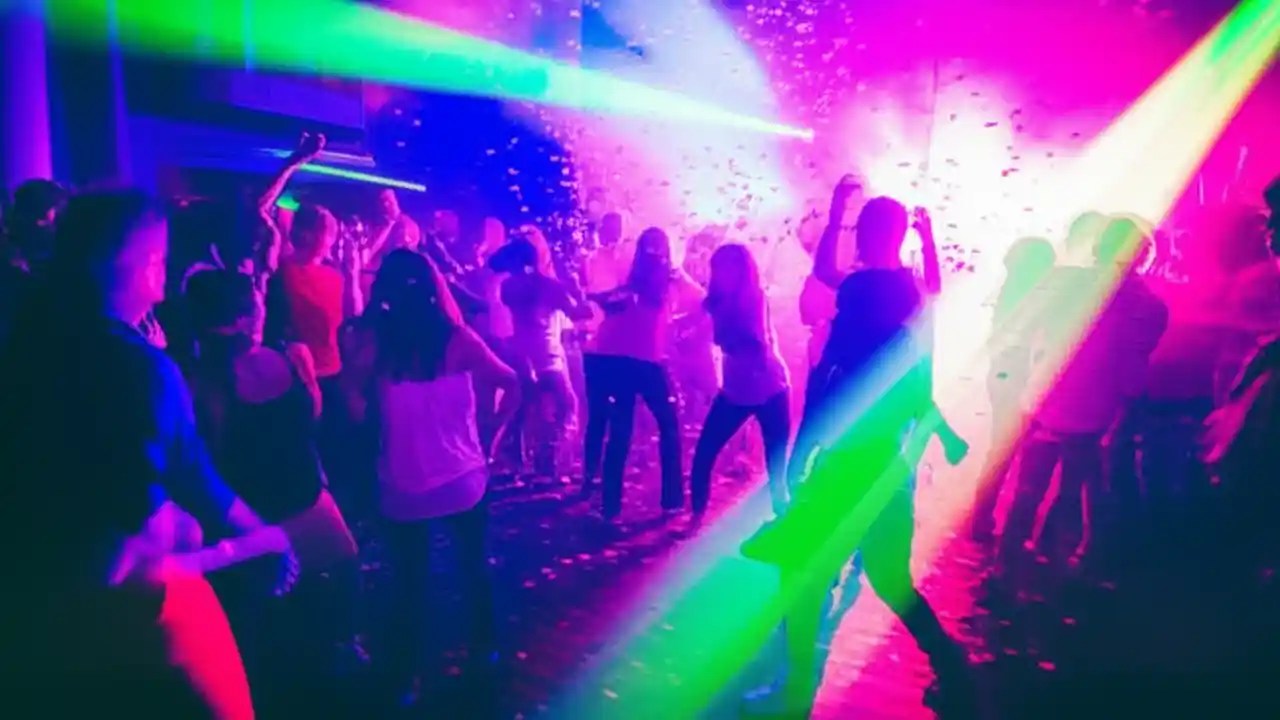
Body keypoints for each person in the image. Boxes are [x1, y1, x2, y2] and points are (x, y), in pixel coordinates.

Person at [0, 188, 295, 719]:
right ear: (137, 266)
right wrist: (252, 541)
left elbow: (184, 470)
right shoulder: (141, 369)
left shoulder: (29, 337)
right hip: (116, 604)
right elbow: (162, 506)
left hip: (28, 598)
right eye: (158, 255)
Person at [750, 178, 972, 718]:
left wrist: (799, 454)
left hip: (847, 467)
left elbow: (823, 397)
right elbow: (922, 397)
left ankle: (794, 683)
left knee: (804, 574)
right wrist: (945, 436)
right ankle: (953, 668)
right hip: (886, 470)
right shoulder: (905, 338)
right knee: (889, 579)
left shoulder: (849, 338)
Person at [343, 249, 519, 710]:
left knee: (408, 586)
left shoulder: (372, 344)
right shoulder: (458, 340)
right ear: (434, 286)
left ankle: (407, 679)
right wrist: (493, 438)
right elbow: (514, 382)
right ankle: (485, 652)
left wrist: (366, 405)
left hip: (403, 486)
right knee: (474, 568)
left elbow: (353, 406)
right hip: (463, 479)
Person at [1002, 217, 1168, 567]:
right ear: (1142, 257)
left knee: (1030, 488)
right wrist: (1126, 406)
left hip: (1047, 400)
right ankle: (1059, 557)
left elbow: (1026, 328)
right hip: (1097, 410)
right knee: (1077, 486)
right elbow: (1135, 365)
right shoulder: (1149, 307)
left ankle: (1011, 559)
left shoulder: (1065, 282)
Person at [580, 227, 704, 520]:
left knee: (623, 431)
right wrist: (677, 322)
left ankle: (612, 507)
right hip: (641, 362)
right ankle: (669, 501)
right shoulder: (659, 279)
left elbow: (605, 303)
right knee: (663, 427)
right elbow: (701, 300)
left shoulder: (643, 279)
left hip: (624, 361)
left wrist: (676, 323)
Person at [689, 243, 791, 525]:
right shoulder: (716, 301)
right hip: (736, 390)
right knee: (706, 450)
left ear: (742, 271)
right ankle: (696, 516)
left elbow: (757, 344)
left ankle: (784, 518)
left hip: (771, 388)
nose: (721, 274)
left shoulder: (755, 297)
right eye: (718, 268)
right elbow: (696, 321)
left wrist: (728, 339)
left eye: (728, 267)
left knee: (776, 462)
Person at [971, 237, 1057, 539]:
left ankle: (981, 518)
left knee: (1001, 449)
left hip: (1002, 373)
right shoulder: (1034, 296)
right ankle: (987, 520)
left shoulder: (1012, 290)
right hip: (1014, 375)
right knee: (1011, 451)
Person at [493, 233, 591, 478]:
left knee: (525, 409)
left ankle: (515, 461)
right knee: (567, 407)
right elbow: (580, 314)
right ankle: (549, 462)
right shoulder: (549, 286)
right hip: (548, 359)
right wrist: (578, 291)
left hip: (521, 357)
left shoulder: (509, 287)